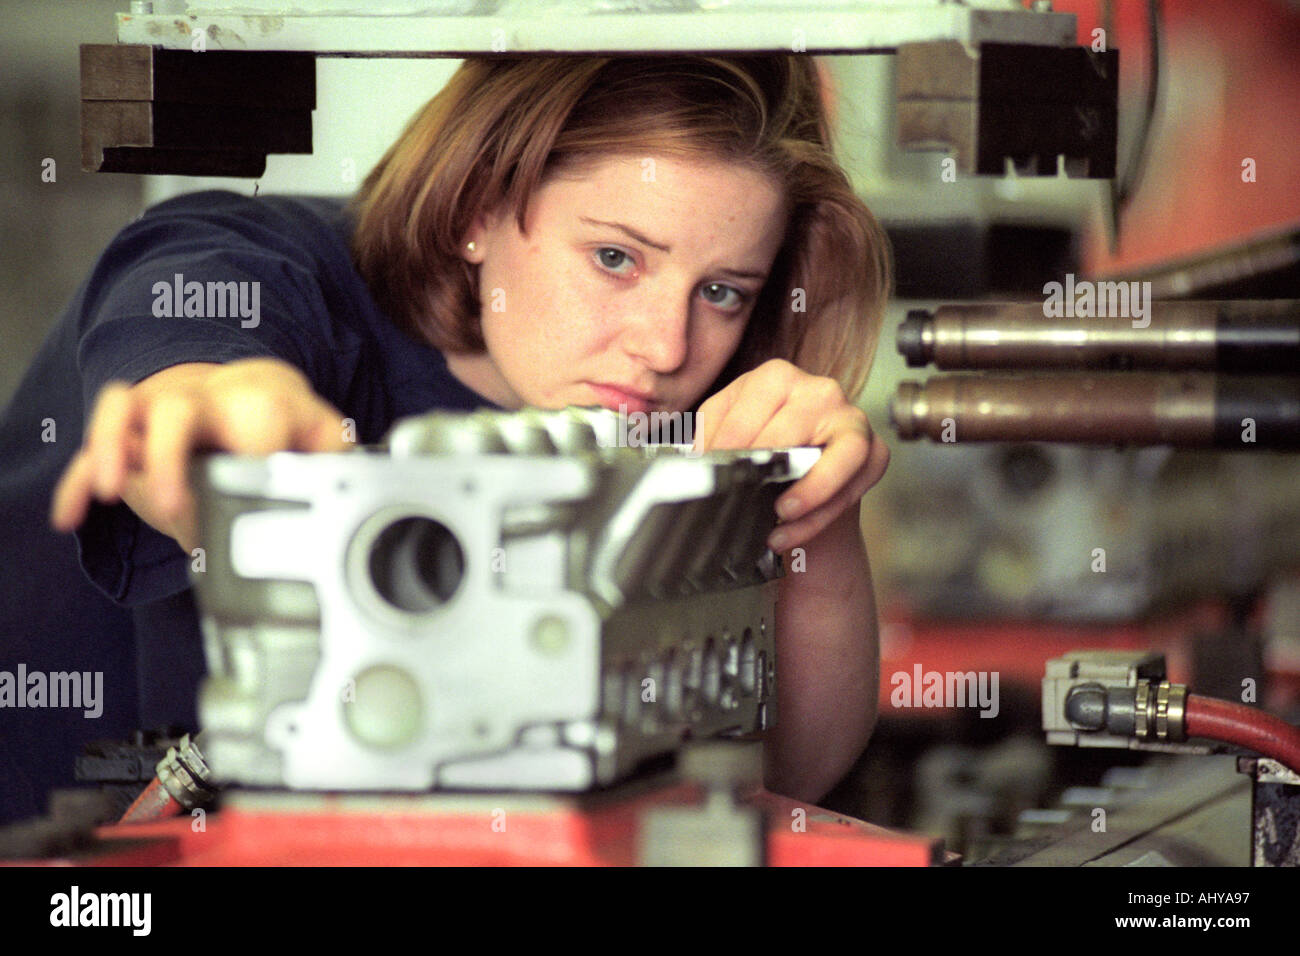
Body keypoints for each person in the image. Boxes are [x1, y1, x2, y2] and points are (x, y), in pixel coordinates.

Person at [0, 54, 891, 825]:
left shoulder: (671, 428)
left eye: (723, 291)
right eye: (616, 258)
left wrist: (823, 514)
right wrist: (221, 408)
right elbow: (189, 354)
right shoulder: (258, 262)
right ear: (476, 206)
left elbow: (787, 777)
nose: (666, 346)